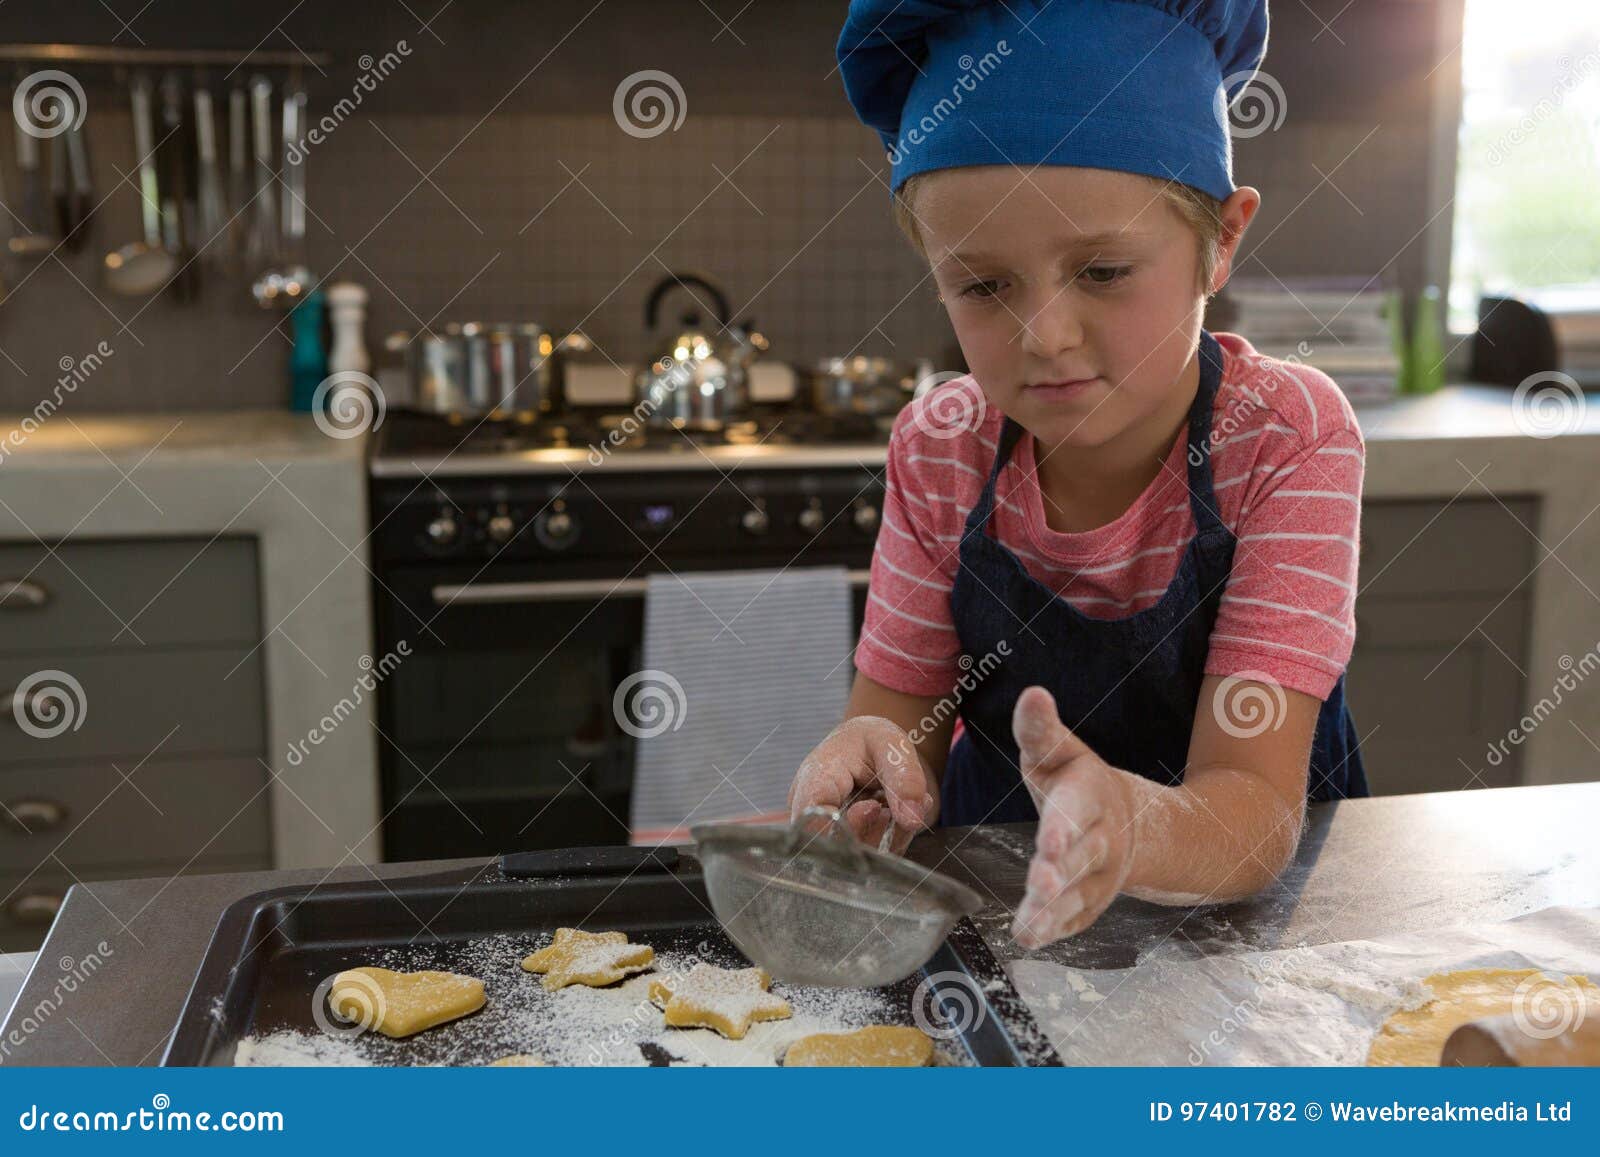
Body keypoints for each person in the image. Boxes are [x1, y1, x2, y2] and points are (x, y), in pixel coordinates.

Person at [789, 0, 1367, 950]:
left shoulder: (1284, 437)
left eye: (1101, 271)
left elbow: (1255, 806)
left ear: (1221, 238)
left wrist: (1127, 822)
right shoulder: (940, 447)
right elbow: (898, 743)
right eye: (982, 285)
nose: (1044, 338)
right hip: (1015, 915)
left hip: (1261, 937)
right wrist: (865, 777)